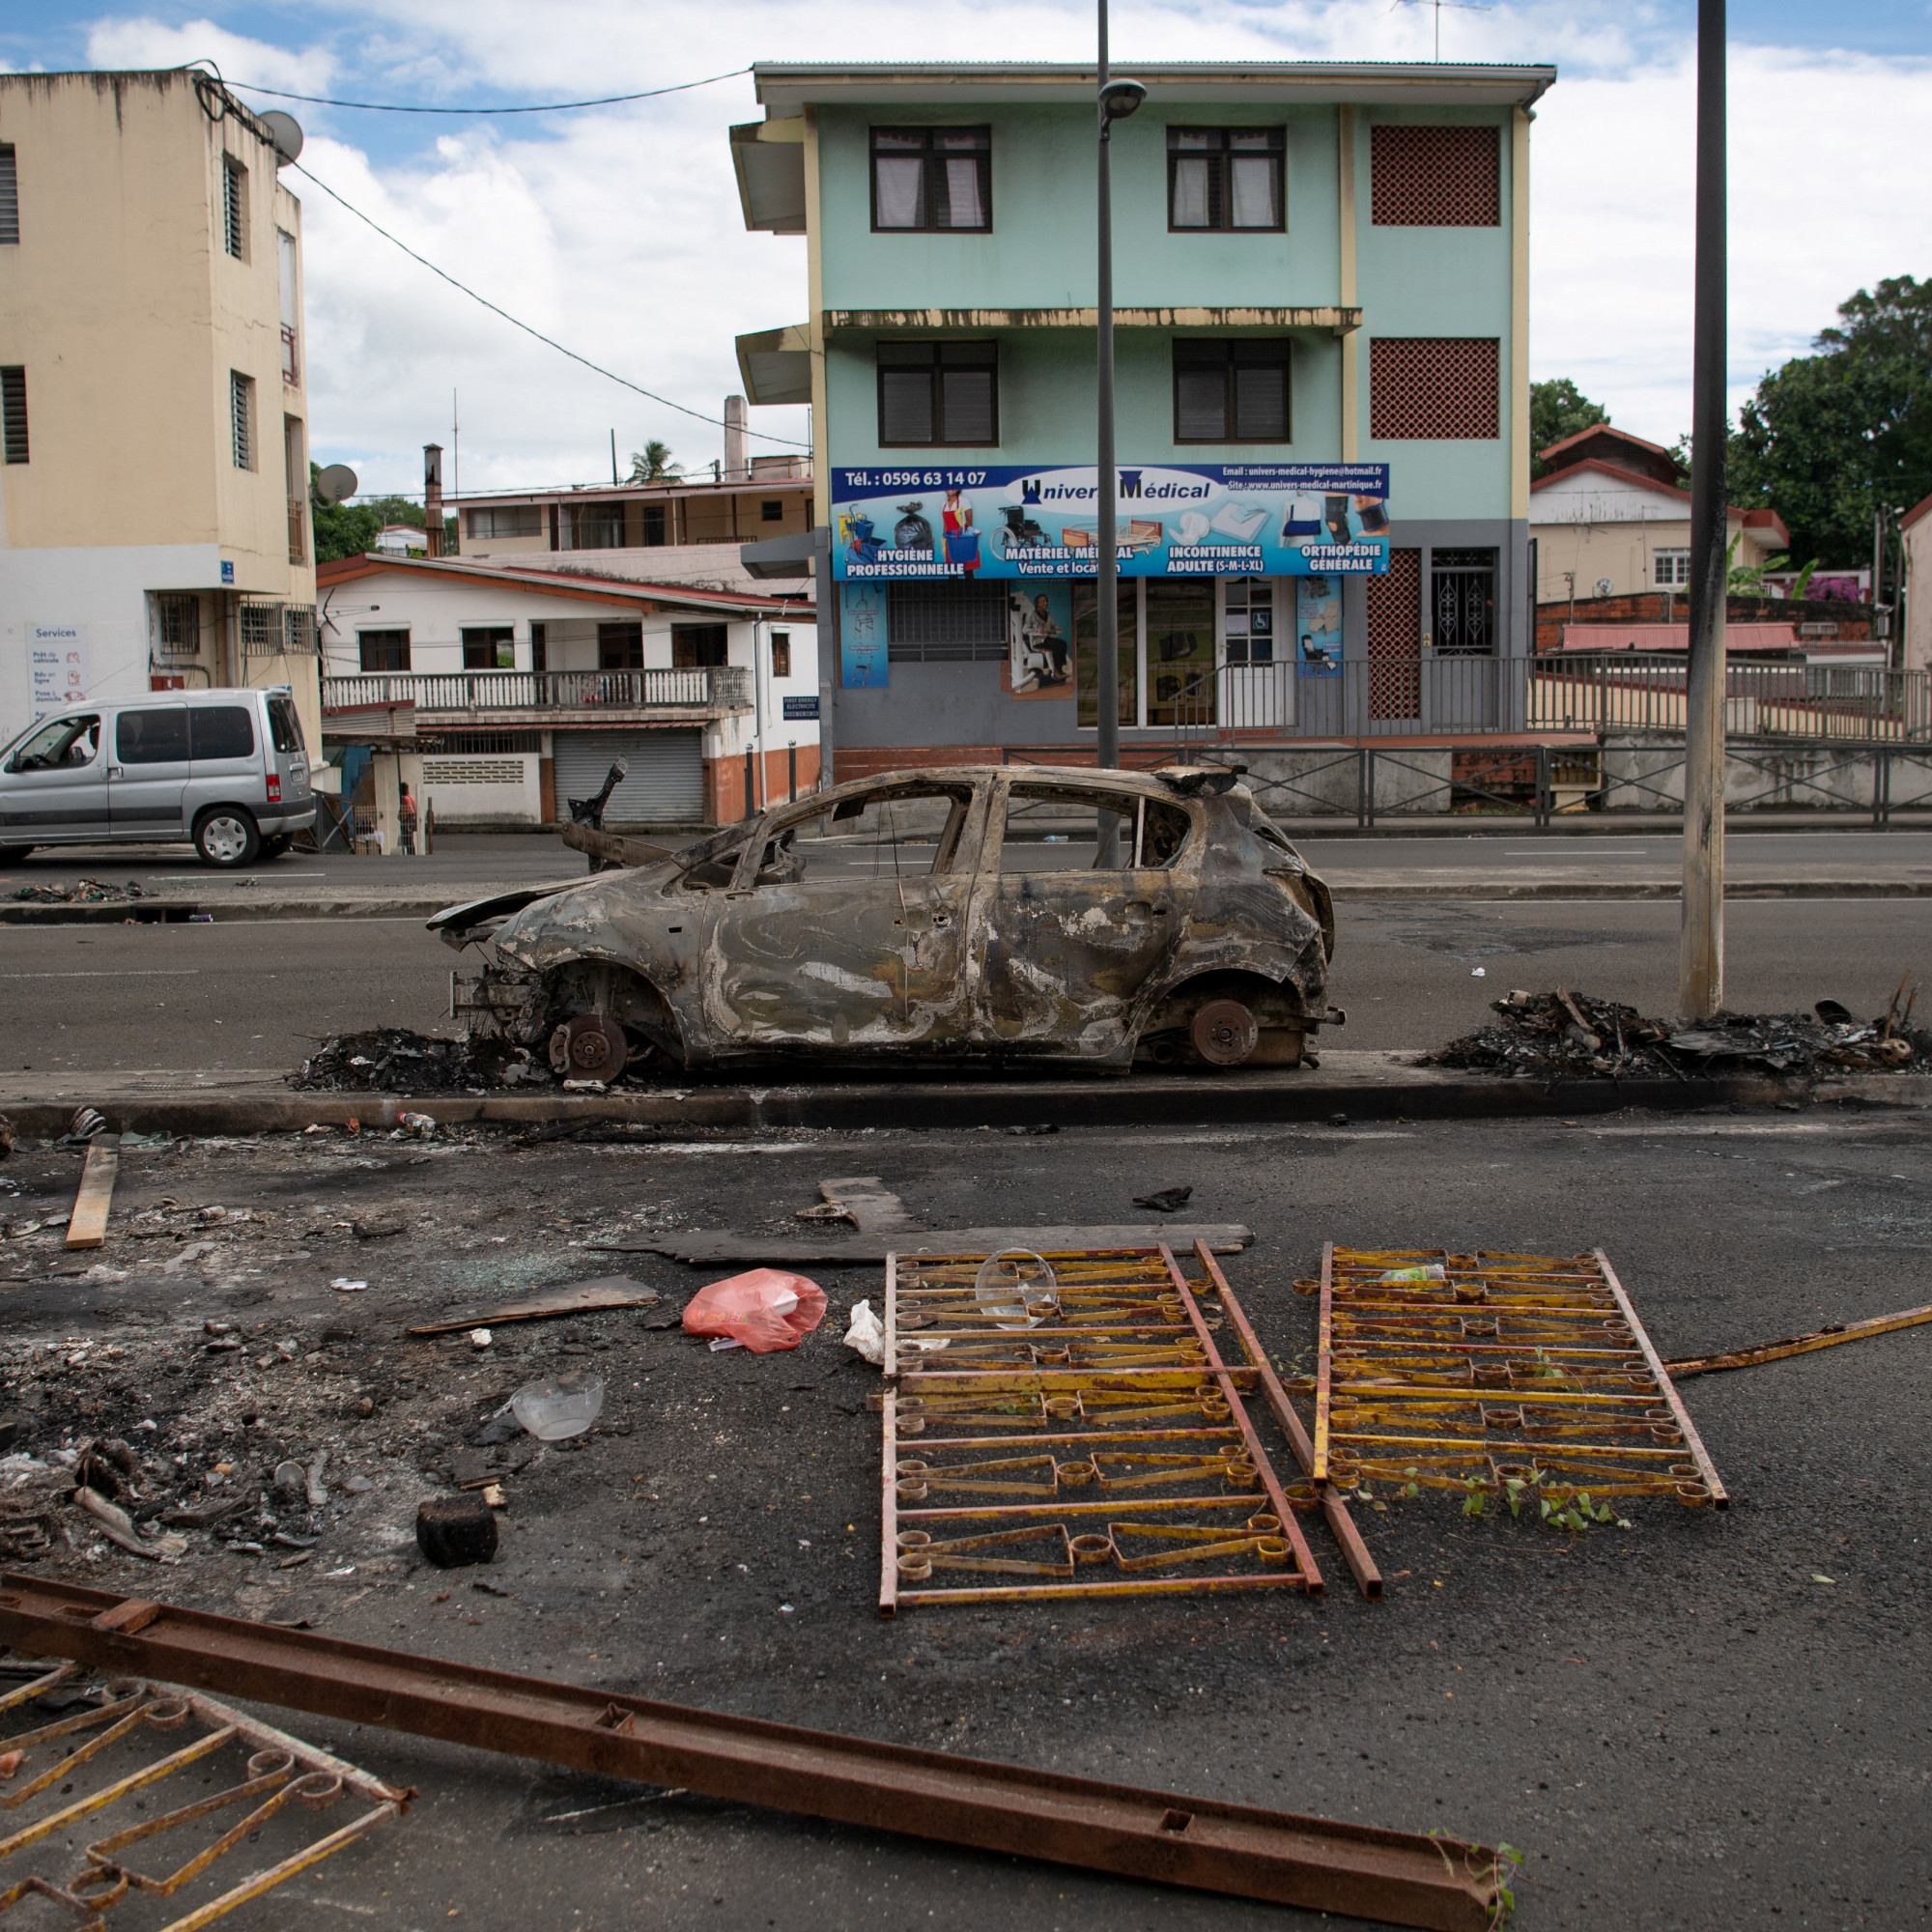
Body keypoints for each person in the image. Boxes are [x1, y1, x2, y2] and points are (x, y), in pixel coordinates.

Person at [397, 781, 418, 857]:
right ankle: (412, 854)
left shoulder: (405, 799)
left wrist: (407, 825)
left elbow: (410, 812)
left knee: (408, 841)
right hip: (411, 821)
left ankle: (411, 855)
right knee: (410, 840)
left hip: (406, 821)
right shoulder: (411, 797)